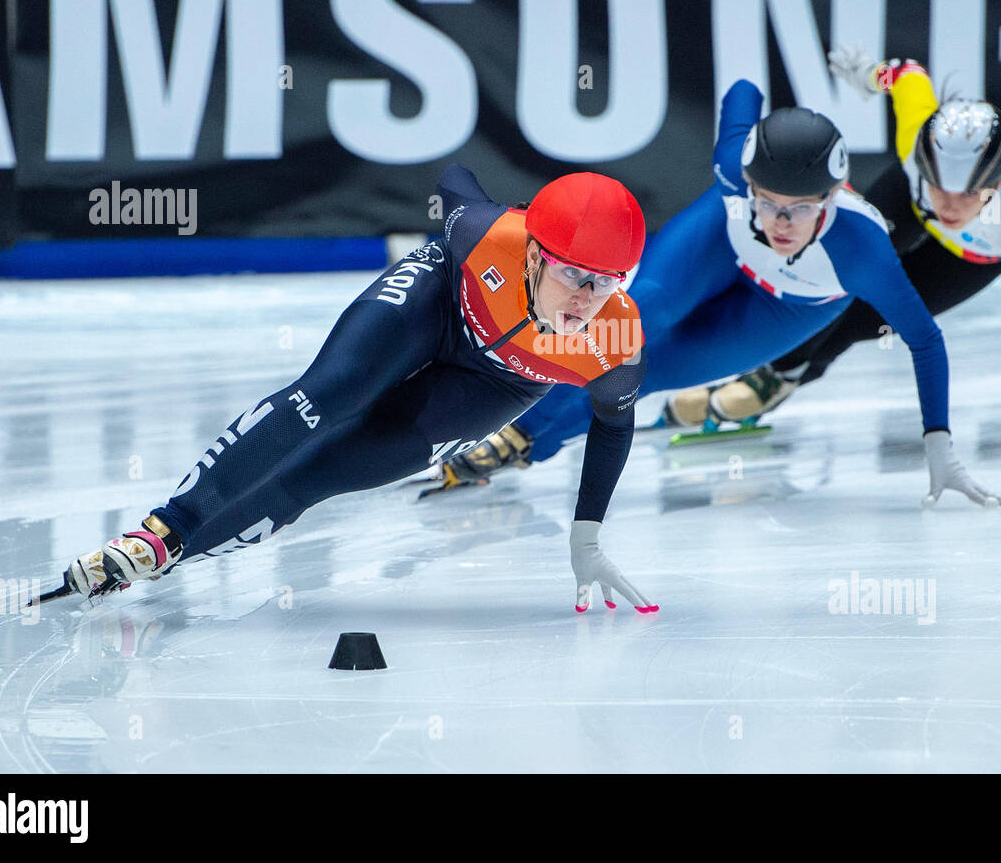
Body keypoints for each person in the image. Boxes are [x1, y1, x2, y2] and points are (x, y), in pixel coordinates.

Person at [53, 164, 659, 614]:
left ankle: (162, 557)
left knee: (326, 473)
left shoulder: (614, 341)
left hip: (498, 383)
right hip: (440, 300)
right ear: (532, 253)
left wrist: (588, 539)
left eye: (606, 282)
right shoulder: (484, 233)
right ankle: (166, 527)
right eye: (573, 275)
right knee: (329, 395)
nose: (585, 300)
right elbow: (456, 178)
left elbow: (614, 426)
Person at [446, 80, 1001, 507]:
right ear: (748, 181)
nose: (782, 223)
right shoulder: (732, 171)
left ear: (833, 198)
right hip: (722, 240)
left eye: (802, 210)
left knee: (648, 372)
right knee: (629, 325)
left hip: (789, 305)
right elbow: (742, 91)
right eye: (767, 202)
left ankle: (521, 442)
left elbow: (926, 341)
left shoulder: (863, 250)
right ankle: (502, 403)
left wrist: (939, 442)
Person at [687, 47, 1001, 461]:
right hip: (906, 200)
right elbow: (908, 74)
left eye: (965, 195)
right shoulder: (914, 141)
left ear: (992, 186)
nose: (948, 205)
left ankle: (785, 377)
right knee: (837, 277)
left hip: (975, 255)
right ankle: (766, 357)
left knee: (868, 319)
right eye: (939, 184)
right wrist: (870, 74)